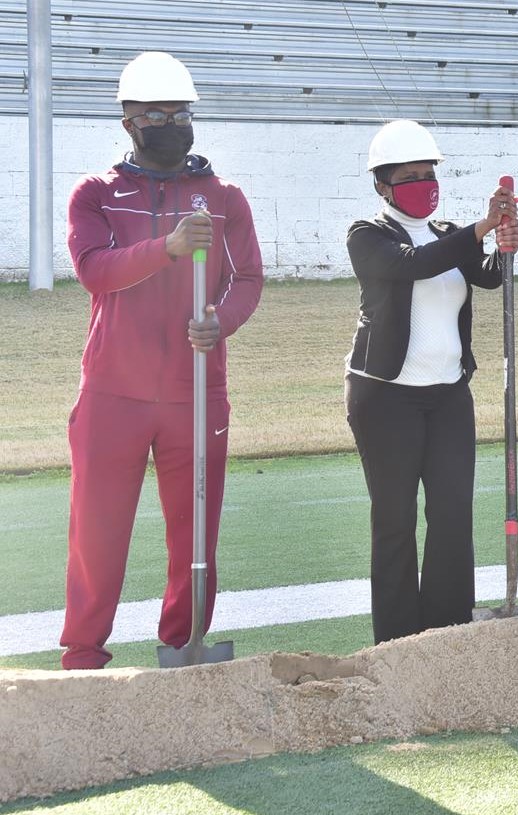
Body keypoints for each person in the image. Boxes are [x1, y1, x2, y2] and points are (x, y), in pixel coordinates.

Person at [60, 52, 263, 669]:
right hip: (113, 391)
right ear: (129, 122)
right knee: (97, 531)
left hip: (195, 389)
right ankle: (84, 654)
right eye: (155, 113)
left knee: (195, 530)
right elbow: (94, 272)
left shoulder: (224, 196)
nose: (171, 121)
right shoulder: (96, 193)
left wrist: (219, 322)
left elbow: (248, 278)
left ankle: (183, 643)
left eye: (180, 111)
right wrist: (168, 248)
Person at [344, 120, 518, 644]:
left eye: (429, 174)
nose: (424, 184)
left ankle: (446, 632)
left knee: (451, 517)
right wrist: (482, 228)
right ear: (383, 186)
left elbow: (486, 273)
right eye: (410, 177)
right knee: (394, 520)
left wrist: (505, 241)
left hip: (448, 395)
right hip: (384, 399)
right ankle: (398, 642)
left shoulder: (447, 235)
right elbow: (413, 266)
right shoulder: (367, 236)